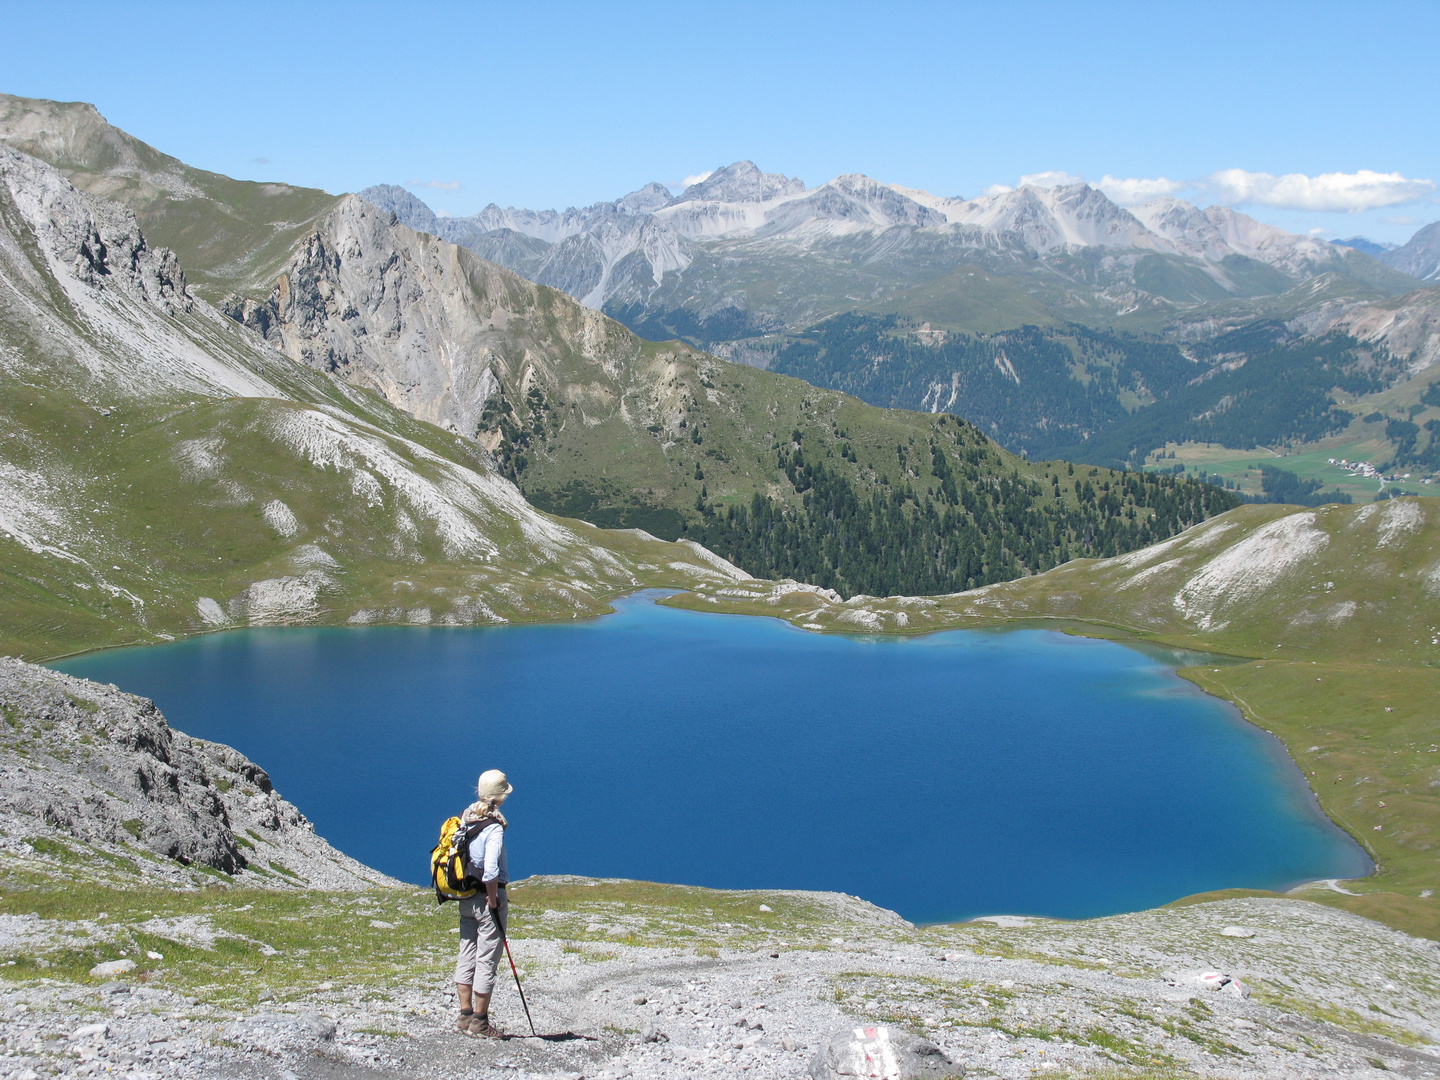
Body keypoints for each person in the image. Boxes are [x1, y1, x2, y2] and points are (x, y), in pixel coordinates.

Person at [454, 769, 512, 1037]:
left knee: (467, 951)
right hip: (487, 897)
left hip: (465, 897)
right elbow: (490, 869)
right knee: (487, 957)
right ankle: (480, 1022)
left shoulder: (467, 818)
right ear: (499, 797)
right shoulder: (493, 827)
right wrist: (492, 899)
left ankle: (464, 1016)